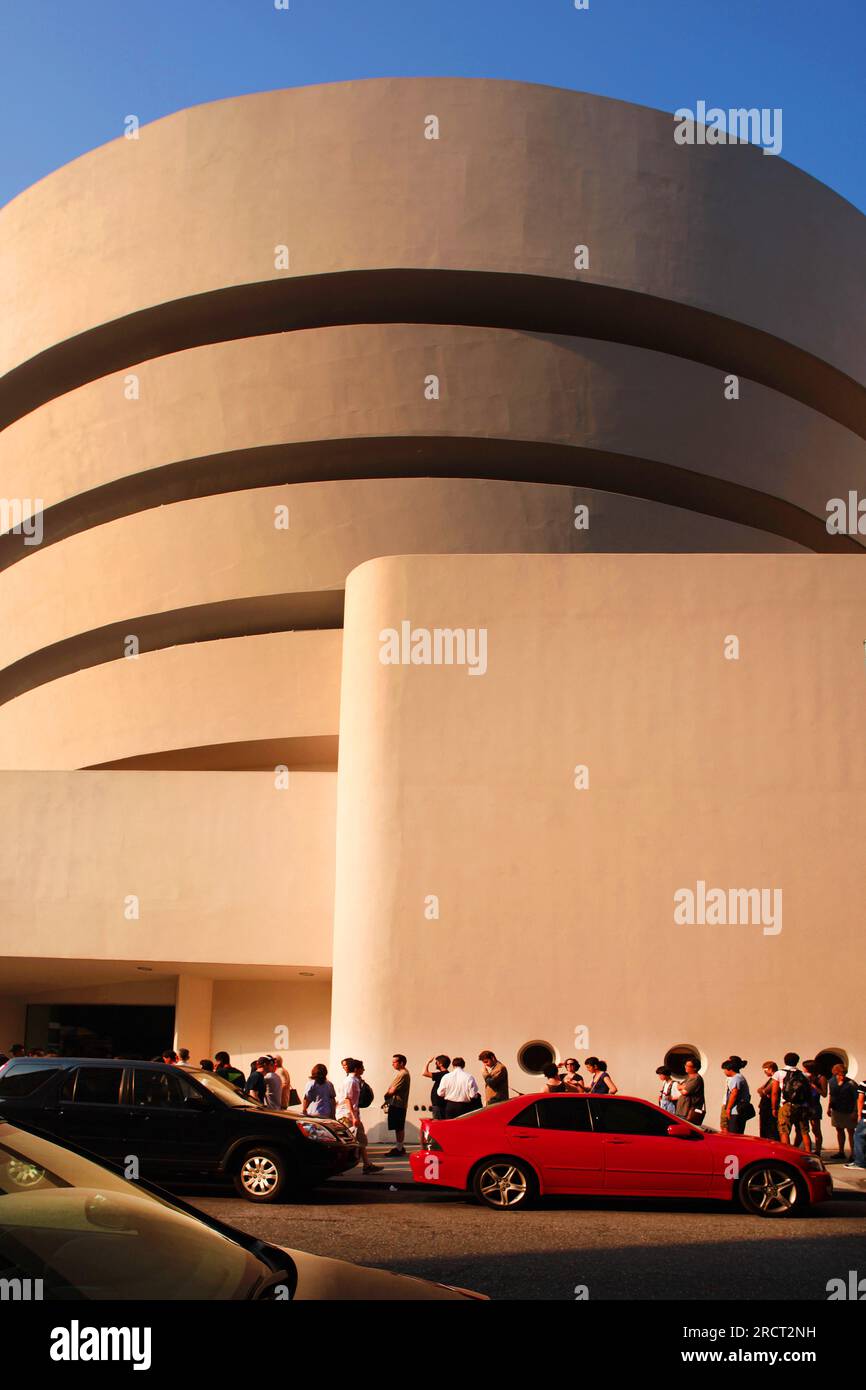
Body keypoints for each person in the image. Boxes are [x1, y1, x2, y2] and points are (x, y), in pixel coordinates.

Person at [336, 1059, 382, 1174]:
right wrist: (353, 1116)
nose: (364, 1069)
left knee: (361, 1140)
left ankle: (367, 1165)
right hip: (347, 1115)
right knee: (346, 1142)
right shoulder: (350, 1081)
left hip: (352, 1115)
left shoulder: (354, 1080)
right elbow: (348, 1100)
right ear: (356, 1069)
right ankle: (338, 1167)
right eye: (362, 1067)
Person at [771, 1051, 811, 1151]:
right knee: (804, 1131)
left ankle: (786, 1153)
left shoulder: (779, 1073)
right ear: (797, 1061)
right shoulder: (804, 1075)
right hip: (802, 1105)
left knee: (784, 1130)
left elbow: (775, 1092)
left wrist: (774, 1108)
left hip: (786, 1105)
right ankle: (809, 1153)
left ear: (785, 1060)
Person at [827, 1062, 858, 1162]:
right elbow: (831, 1095)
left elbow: (856, 1099)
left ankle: (853, 1153)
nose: (842, 1076)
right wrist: (829, 1107)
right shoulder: (832, 1081)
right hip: (837, 1109)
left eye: (843, 1074)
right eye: (840, 1074)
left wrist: (855, 1112)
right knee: (839, 1130)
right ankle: (841, 1151)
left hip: (849, 1110)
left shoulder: (851, 1084)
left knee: (851, 1131)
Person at [383, 1053, 411, 1156]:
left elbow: (392, 1090)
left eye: (394, 1062)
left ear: (402, 1063)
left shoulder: (402, 1074)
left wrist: (386, 1095)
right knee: (398, 1126)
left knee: (399, 1127)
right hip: (398, 1104)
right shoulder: (402, 1073)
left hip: (398, 1104)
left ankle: (399, 1149)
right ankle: (399, 1147)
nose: (392, 1064)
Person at [802, 1060, 826, 1156]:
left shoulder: (821, 1078)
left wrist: (814, 1086)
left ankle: (818, 1150)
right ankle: (806, 1150)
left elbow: (824, 1093)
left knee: (816, 1129)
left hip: (814, 1105)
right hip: (804, 1105)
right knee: (803, 1129)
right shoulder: (804, 1077)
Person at [722, 1057, 751, 1134]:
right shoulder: (739, 1077)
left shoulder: (736, 1078)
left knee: (733, 1133)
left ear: (730, 1069)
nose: (724, 1072)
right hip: (738, 1110)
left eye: (724, 1069)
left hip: (735, 1111)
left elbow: (734, 1093)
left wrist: (728, 1108)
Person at [675, 1058, 706, 1125]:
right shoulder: (689, 1078)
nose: (685, 1067)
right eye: (685, 1065)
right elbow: (678, 1086)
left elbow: (685, 1092)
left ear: (695, 1068)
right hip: (682, 1110)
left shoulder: (696, 1078)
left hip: (688, 1111)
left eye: (688, 1066)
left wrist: (681, 1087)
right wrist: (681, 1087)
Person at [423, 1055, 451, 1121]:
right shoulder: (447, 1074)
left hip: (438, 1104)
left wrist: (427, 1062)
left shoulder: (441, 1074)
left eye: (436, 1062)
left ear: (440, 1064)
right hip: (441, 1103)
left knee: (438, 1122)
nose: (435, 1064)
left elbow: (424, 1073)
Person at [846, 1077, 866, 1170]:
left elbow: (860, 1100)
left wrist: (859, 1114)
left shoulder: (864, 1084)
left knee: (859, 1138)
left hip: (865, 1117)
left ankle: (860, 1162)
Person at [757, 1061, 780, 1141]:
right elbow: (759, 1090)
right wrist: (763, 1092)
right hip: (766, 1107)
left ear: (770, 1069)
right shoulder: (771, 1079)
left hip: (769, 1108)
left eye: (765, 1070)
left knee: (770, 1129)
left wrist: (764, 1092)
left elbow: (764, 1091)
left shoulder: (775, 1079)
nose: (765, 1072)